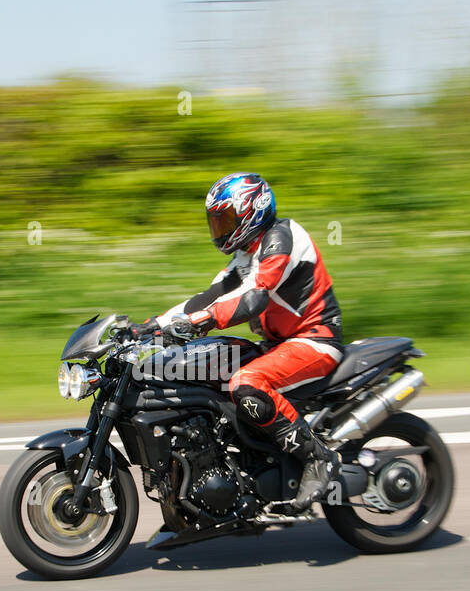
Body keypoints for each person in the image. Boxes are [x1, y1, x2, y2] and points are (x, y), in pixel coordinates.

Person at [134, 172, 343, 510]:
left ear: (253, 210)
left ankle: (318, 458)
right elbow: (208, 297)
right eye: (216, 220)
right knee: (204, 370)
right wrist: (151, 326)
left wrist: (200, 322)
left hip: (314, 340)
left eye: (226, 218)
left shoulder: (283, 238)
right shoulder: (245, 254)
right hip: (277, 344)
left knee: (247, 383)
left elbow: (253, 297)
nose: (220, 228)